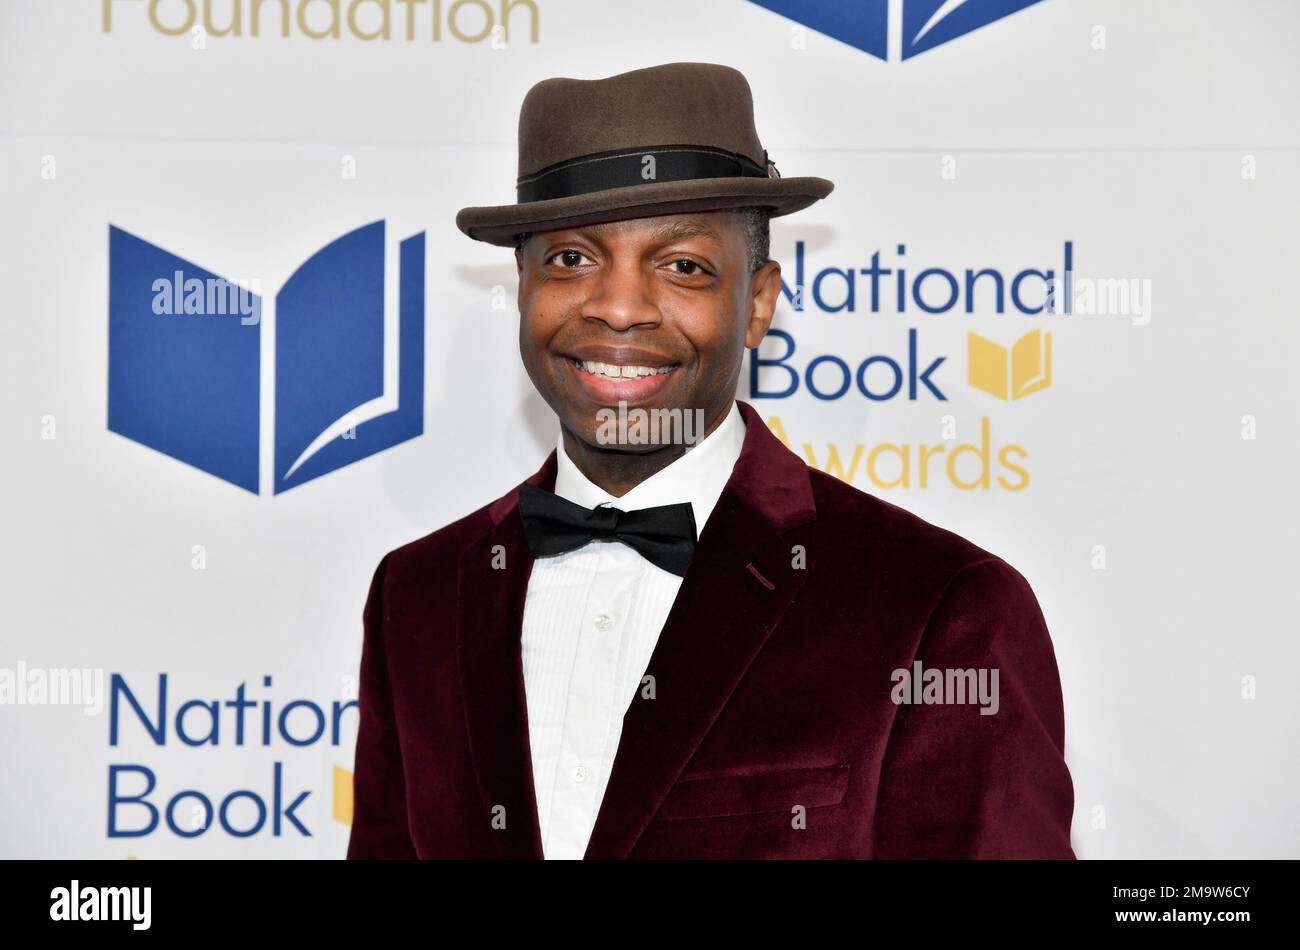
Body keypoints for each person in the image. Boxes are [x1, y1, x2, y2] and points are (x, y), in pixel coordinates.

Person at [346, 61, 1075, 860]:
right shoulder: (416, 596)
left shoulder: (941, 608)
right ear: (521, 286)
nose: (617, 307)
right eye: (571, 260)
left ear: (758, 302)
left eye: (682, 266)